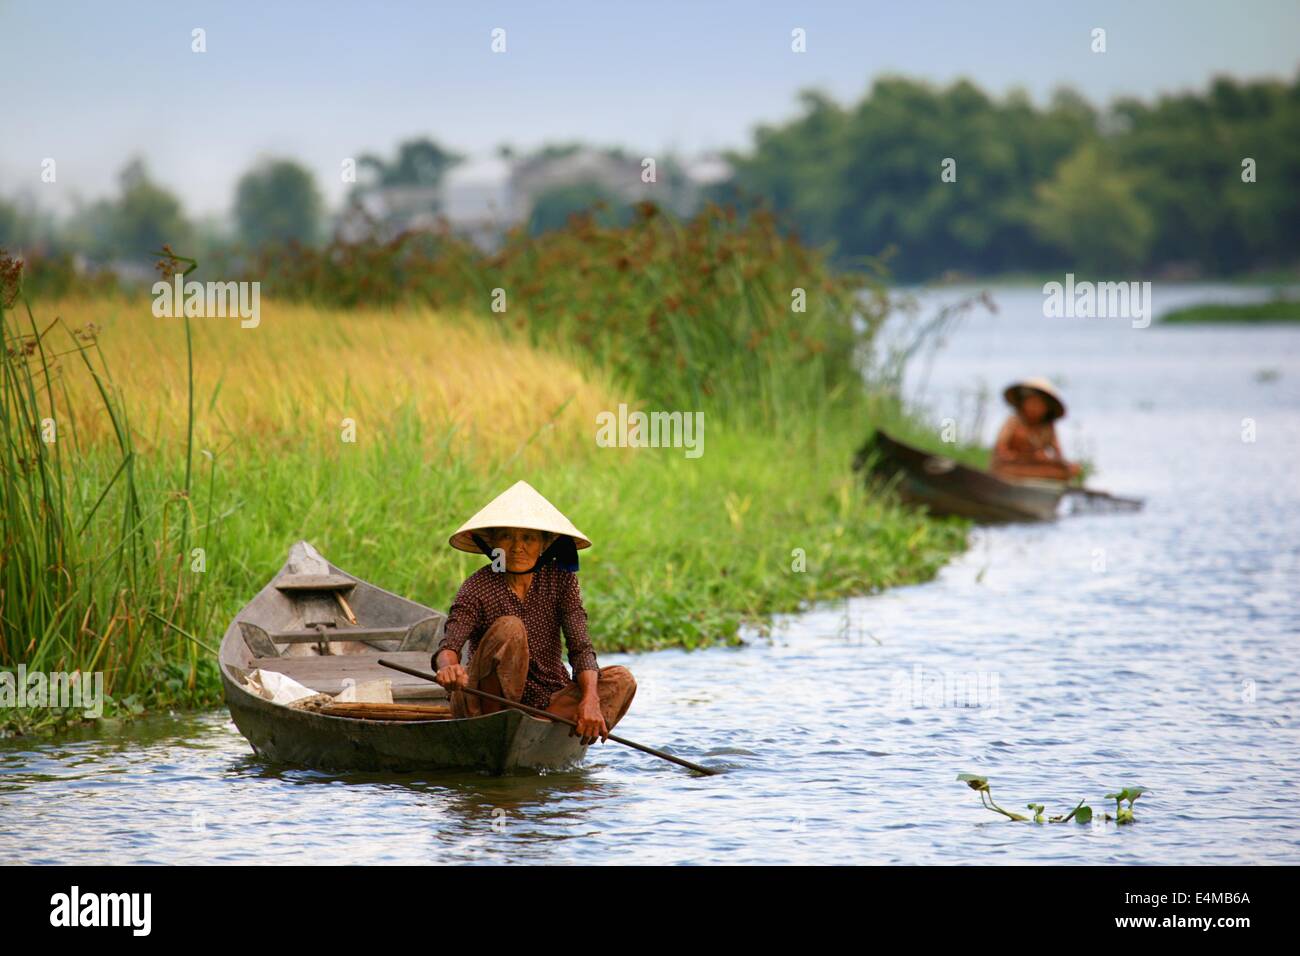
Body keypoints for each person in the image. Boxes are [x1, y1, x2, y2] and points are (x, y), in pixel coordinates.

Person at [431, 480, 636, 745]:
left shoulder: (561, 581)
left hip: (545, 702)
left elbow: (581, 648)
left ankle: (535, 730)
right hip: (484, 704)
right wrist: (449, 669)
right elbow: (449, 646)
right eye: (506, 536)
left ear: (544, 544)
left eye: (528, 538)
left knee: (622, 680)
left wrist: (590, 700)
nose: (517, 547)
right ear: (492, 543)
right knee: (510, 627)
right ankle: (500, 730)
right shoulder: (477, 586)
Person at [990, 377, 1082, 482]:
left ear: (1046, 408)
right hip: (1012, 466)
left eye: (1039, 404)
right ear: (1023, 403)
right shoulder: (1014, 421)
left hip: (1037, 467)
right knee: (1006, 470)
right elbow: (1001, 449)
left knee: (1068, 470)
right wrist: (1023, 457)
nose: (1034, 408)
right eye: (1031, 402)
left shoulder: (1048, 427)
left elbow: (1058, 455)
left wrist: (1052, 461)